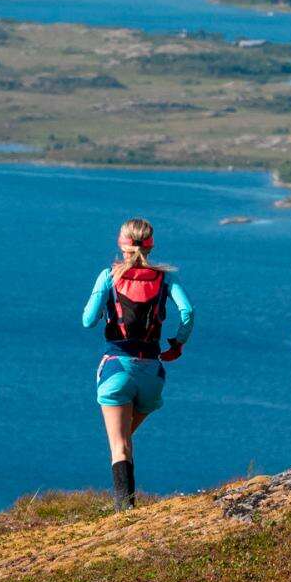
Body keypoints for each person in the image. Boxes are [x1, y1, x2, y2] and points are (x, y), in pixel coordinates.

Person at [80, 217, 195, 510]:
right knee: (124, 440)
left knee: (118, 446)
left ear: (121, 243)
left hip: (116, 369)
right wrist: (178, 343)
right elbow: (188, 312)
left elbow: (88, 320)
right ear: (151, 244)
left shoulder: (109, 276)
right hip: (152, 374)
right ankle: (126, 507)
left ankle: (124, 510)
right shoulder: (166, 278)